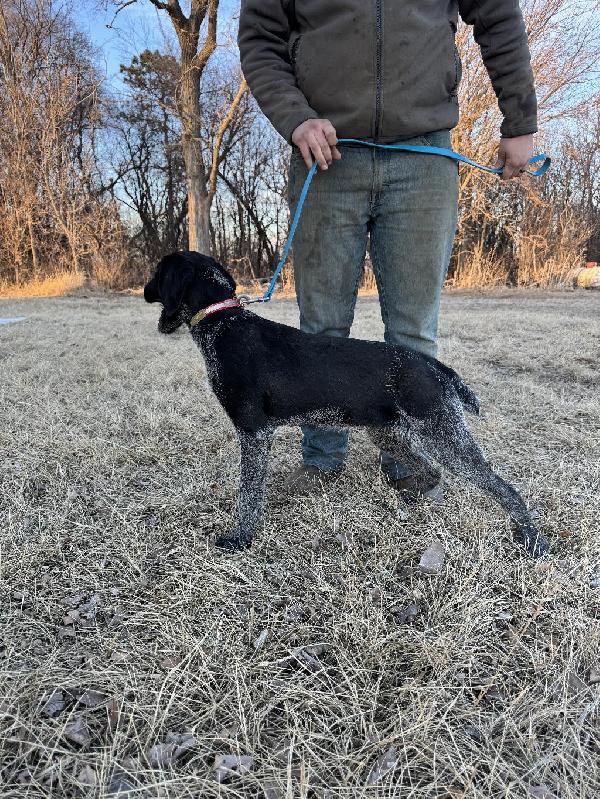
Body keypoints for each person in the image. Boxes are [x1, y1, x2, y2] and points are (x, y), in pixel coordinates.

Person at [238, 0, 537, 497]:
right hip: (326, 157)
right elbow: (260, 38)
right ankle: (322, 460)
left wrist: (519, 118)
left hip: (425, 155)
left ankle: (411, 463)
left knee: (414, 330)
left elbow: (498, 16)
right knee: (323, 326)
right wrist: (296, 118)